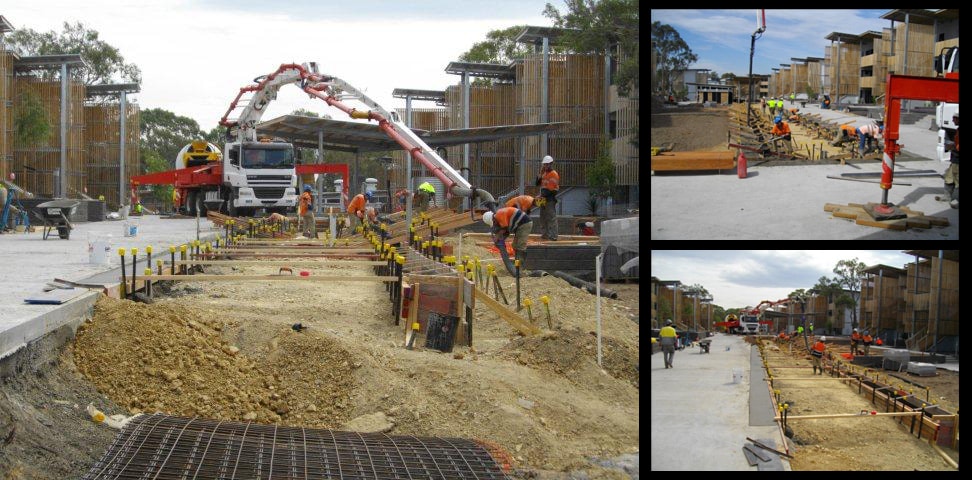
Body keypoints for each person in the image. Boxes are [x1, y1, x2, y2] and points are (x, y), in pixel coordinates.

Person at [535, 155, 560, 240]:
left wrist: (541, 196)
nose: (545, 166)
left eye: (547, 164)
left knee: (551, 217)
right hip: (543, 198)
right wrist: (539, 175)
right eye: (544, 164)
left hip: (550, 198)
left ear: (551, 164)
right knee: (543, 217)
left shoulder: (554, 174)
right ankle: (545, 235)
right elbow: (537, 184)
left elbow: (550, 190)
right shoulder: (544, 173)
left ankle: (553, 236)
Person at [943, 112, 959, 209]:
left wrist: (953, 147)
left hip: (958, 159)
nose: (952, 120)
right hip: (955, 159)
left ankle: (956, 200)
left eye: (954, 118)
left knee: (957, 180)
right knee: (949, 177)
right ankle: (947, 196)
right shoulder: (958, 130)